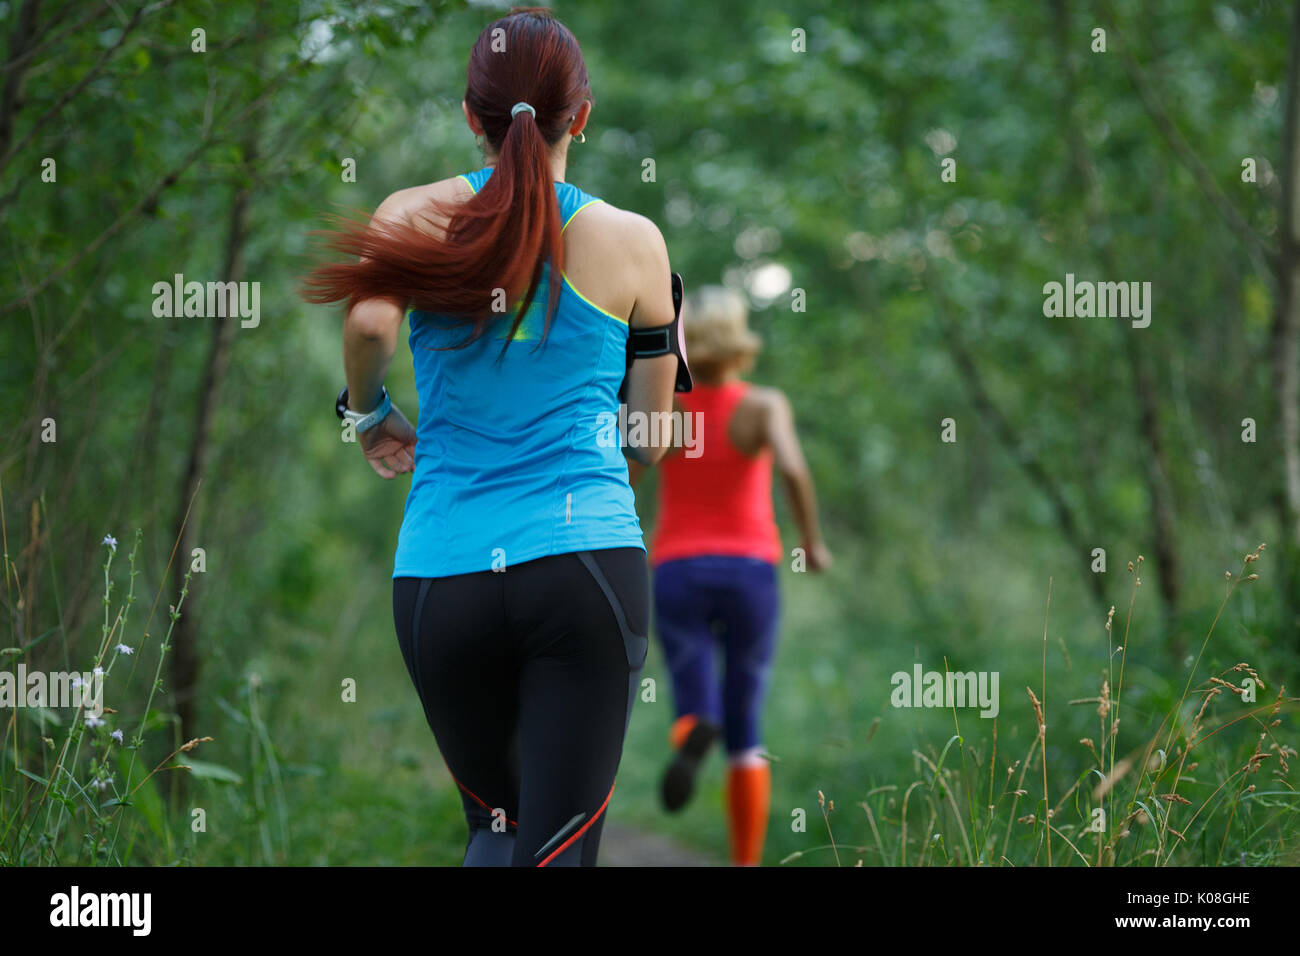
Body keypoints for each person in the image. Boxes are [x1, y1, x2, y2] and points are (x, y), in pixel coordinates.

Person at [301, 7, 681, 867]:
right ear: (579, 116)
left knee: (494, 831)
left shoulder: (413, 215)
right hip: (584, 568)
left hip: (442, 576)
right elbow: (651, 440)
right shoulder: (633, 242)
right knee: (559, 845)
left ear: (470, 115)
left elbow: (366, 330)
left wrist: (367, 416)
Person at [632, 285, 831, 866]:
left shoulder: (668, 405)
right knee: (747, 720)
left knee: (693, 696)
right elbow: (793, 469)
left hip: (677, 568)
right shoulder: (765, 406)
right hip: (750, 571)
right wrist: (813, 544)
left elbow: (630, 469)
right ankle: (745, 863)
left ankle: (693, 731)